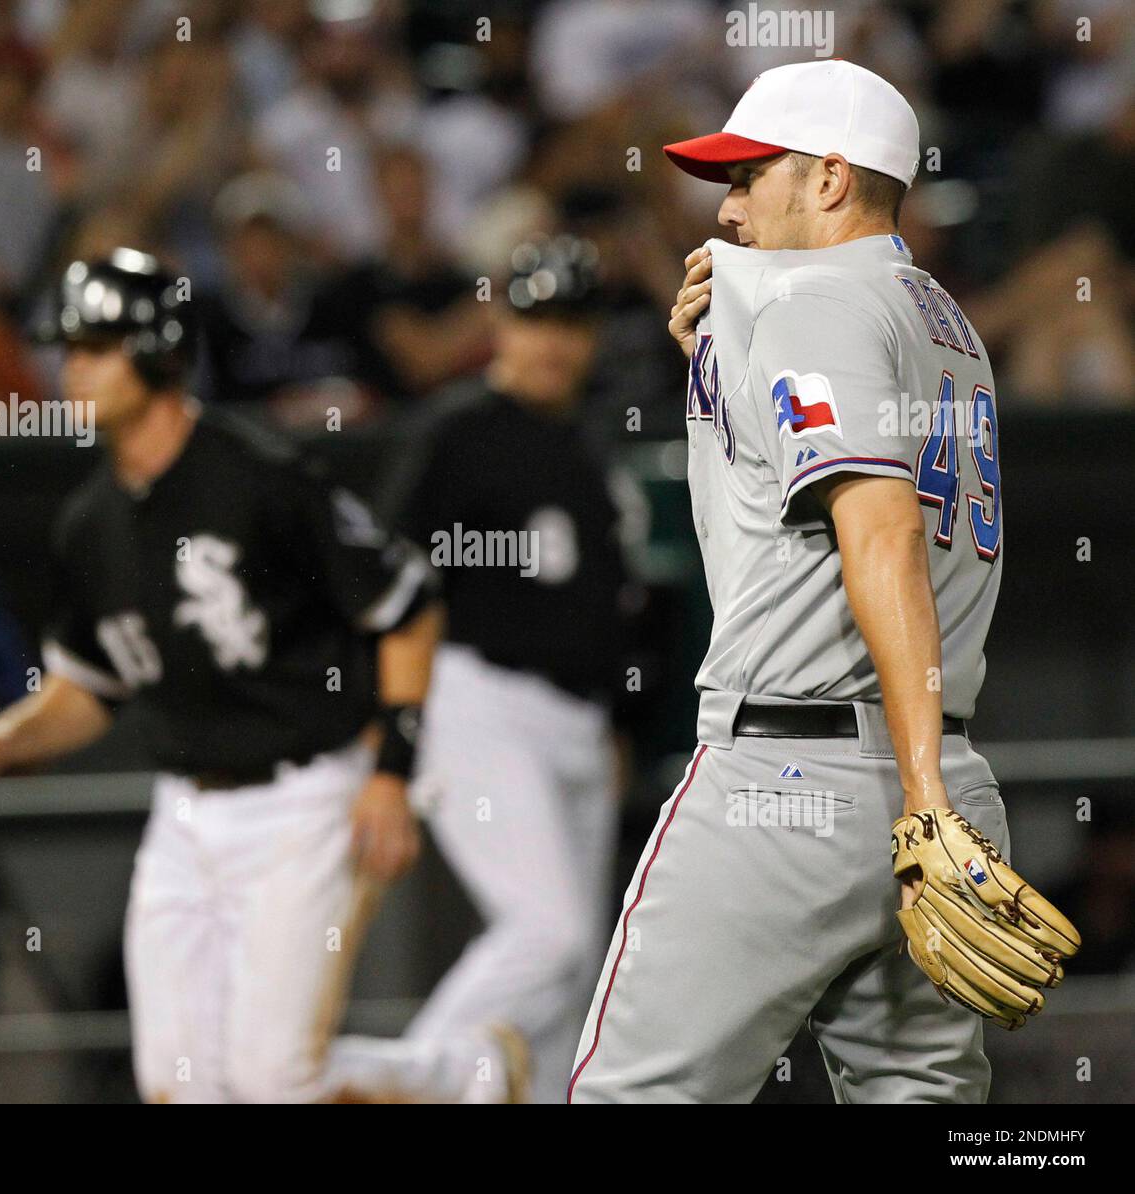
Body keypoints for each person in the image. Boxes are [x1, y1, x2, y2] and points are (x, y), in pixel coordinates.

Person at [569, 59, 1069, 1104]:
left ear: (831, 179)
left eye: (753, 173)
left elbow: (878, 532)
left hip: (787, 779)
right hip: (942, 776)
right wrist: (718, 369)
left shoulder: (809, 303)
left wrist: (916, 793)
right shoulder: (943, 320)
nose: (730, 202)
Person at [0, 248, 442, 1103]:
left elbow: (402, 606)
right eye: (71, 347)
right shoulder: (90, 521)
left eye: (96, 345)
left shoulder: (259, 477)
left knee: (273, 1081)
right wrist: (9, 736)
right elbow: (95, 686)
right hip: (183, 812)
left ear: (158, 352)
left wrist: (392, 772)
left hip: (304, 795)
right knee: (176, 1084)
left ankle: (460, 1080)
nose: (74, 368)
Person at [325, 236, 635, 1103]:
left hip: (576, 722)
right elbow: (384, 589)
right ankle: (404, 1077)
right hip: (475, 699)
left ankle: (437, 1084)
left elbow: (607, 605)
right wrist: (383, 727)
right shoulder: (456, 434)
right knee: (551, 936)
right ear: (499, 320)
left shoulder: (587, 446)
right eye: (537, 318)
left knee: (574, 992)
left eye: (572, 322)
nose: (554, 342)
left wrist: (611, 719)